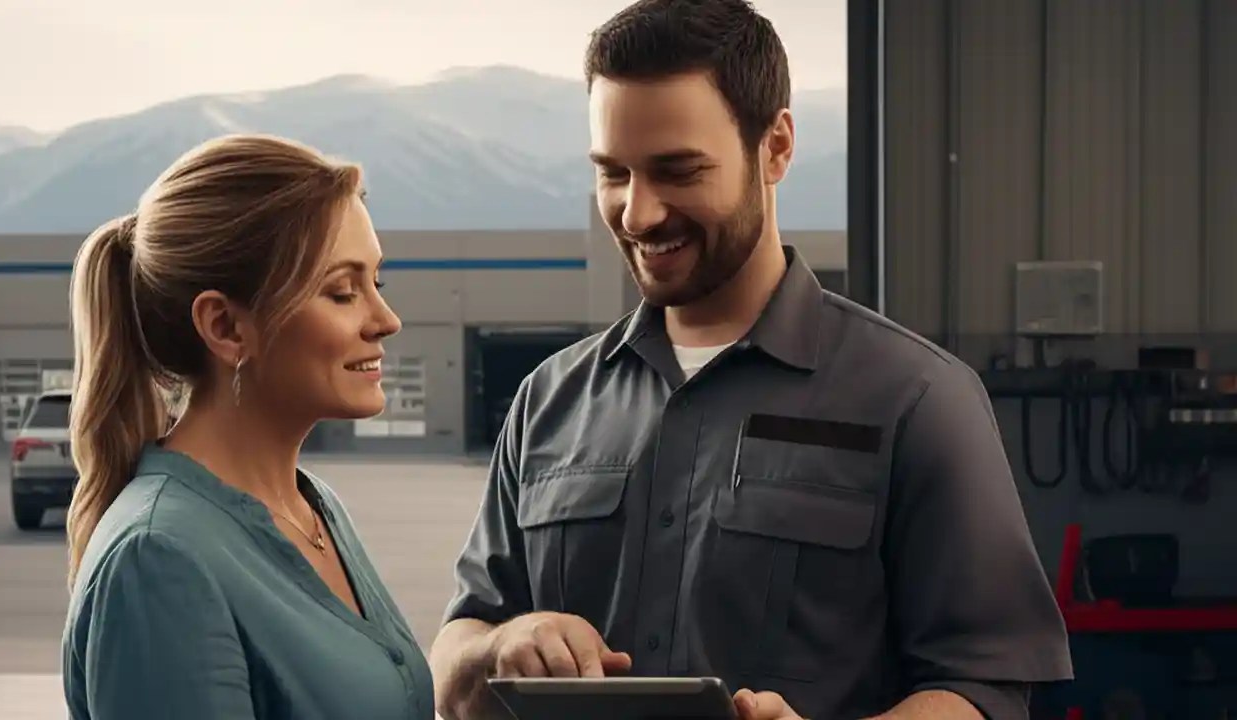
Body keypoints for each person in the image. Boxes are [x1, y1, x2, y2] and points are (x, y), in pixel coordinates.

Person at [428, 1, 1074, 719]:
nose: (638, 214)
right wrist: (503, 643)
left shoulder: (918, 400)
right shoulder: (548, 402)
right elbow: (455, 665)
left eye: (678, 170)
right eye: (614, 173)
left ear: (776, 147)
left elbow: (985, 689)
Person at [60, 134, 433, 720]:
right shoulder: (157, 560)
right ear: (227, 327)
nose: (385, 319)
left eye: (375, 284)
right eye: (342, 292)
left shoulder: (315, 509)